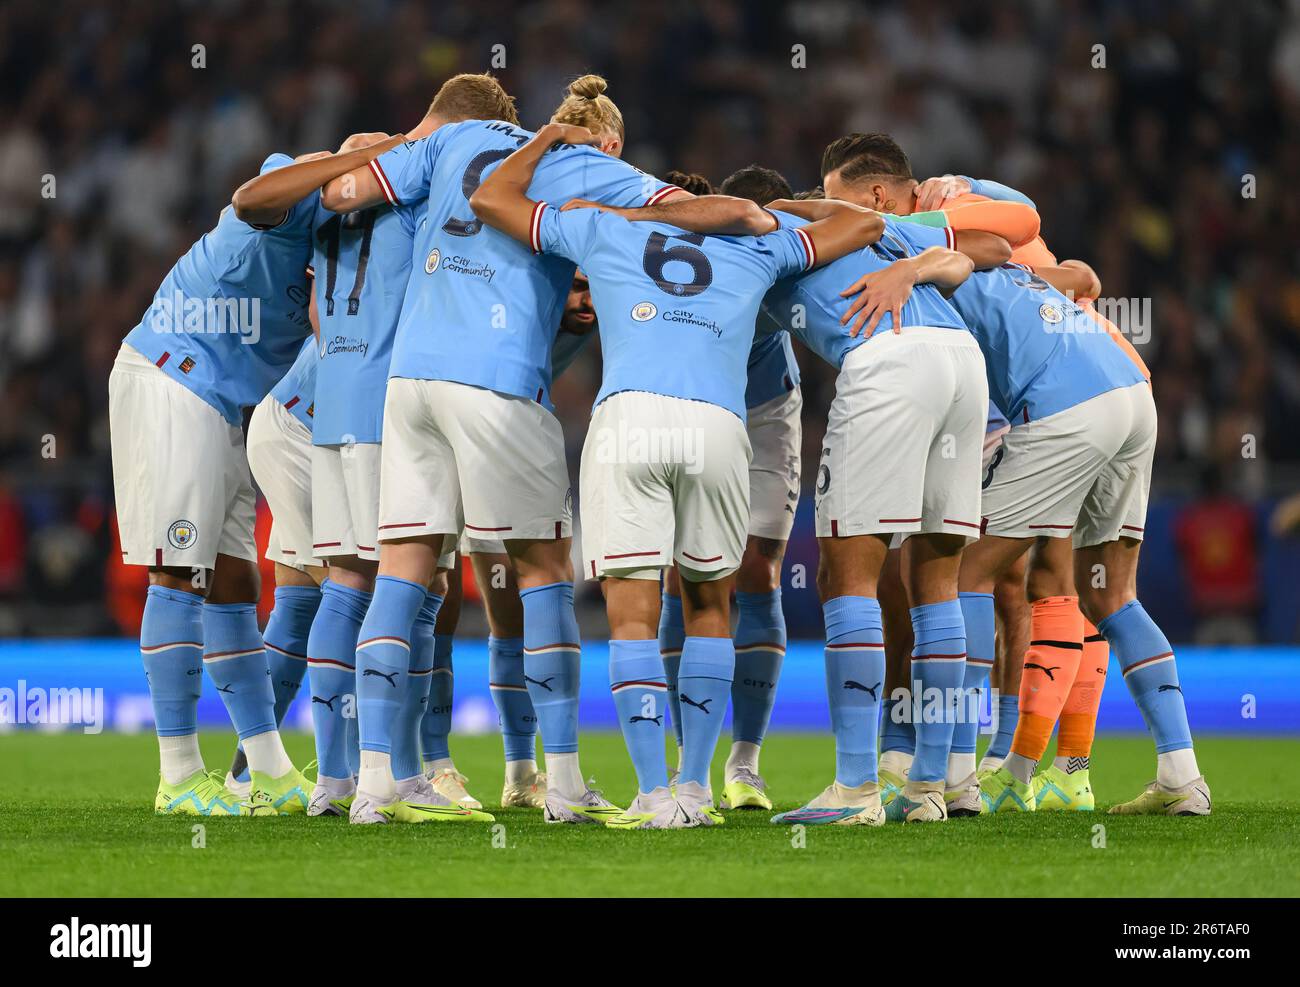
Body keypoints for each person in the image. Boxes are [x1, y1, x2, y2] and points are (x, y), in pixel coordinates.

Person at [471, 124, 890, 828]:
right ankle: (697, 787)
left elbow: (491, 198)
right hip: (717, 426)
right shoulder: (760, 246)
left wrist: (558, 146)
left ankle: (650, 794)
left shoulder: (601, 228)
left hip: (629, 417)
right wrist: (768, 213)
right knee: (709, 607)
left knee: (632, 611)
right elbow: (867, 221)